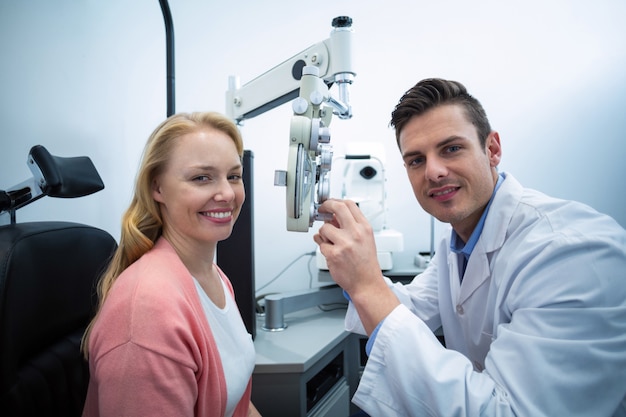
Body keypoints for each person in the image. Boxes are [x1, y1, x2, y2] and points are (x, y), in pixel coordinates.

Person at [314, 78, 626, 416]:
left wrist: (367, 284)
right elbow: (414, 307)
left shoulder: (566, 252)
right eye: (416, 160)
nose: (433, 171)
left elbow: (512, 412)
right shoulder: (458, 241)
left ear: (492, 150)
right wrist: (354, 274)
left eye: (451, 148)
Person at [81, 112, 261, 417]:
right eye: (201, 177)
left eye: (233, 176)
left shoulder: (213, 277)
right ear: (157, 188)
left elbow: (238, 406)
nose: (228, 193)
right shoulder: (145, 311)